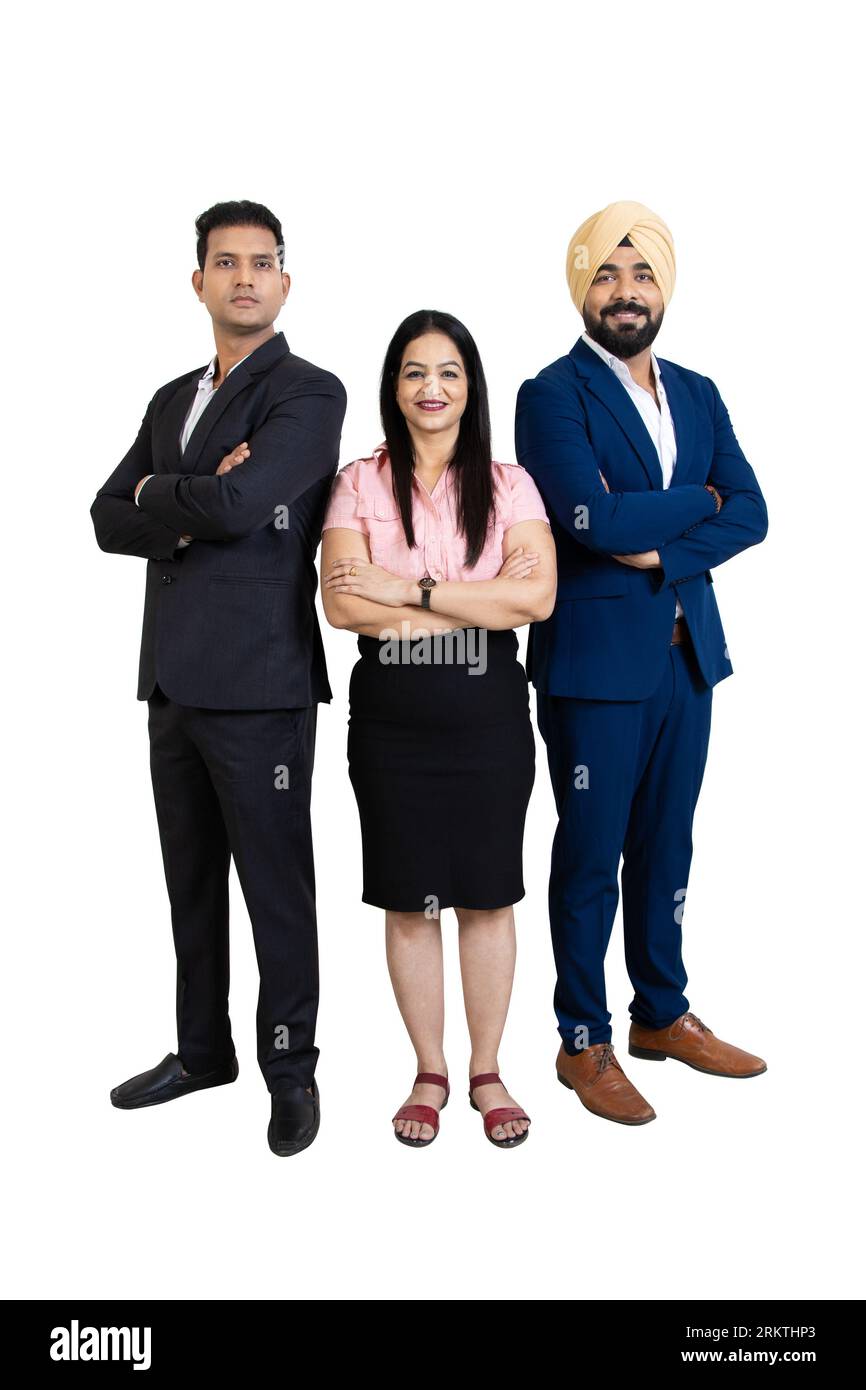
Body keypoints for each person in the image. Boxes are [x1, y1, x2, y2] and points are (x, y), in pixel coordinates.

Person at [90, 199, 347, 1157]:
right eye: (225, 262)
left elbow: (244, 506)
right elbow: (105, 515)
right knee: (189, 882)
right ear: (197, 280)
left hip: (261, 682)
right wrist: (179, 496)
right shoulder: (171, 400)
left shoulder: (308, 394)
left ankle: (291, 1069)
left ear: (285, 280)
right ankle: (203, 1051)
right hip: (172, 681)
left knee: (274, 888)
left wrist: (173, 496)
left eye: (262, 262)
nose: (244, 277)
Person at [515, 200, 768, 1126]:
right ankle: (583, 1037)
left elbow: (751, 508)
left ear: (666, 288)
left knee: (668, 846)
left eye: (643, 275)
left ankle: (662, 1013)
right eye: (609, 276)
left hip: (685, 657)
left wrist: (662, 541)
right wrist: (691, 504)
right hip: (594, 667)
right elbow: (587, 519)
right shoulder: (551, 394)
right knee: (591, 854)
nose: (628, 293)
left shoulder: (698, 392)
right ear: (584, 287)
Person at [320, 309, 556, 1148]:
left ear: (470, 386)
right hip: (392, 722)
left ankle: (488, 1068)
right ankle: (429, 1068)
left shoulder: (512, 483)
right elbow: (342, 601)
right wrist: (464, 600)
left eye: (449, 372)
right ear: (395, 386)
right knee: (410, 898)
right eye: (416, 371)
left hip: (488, 712)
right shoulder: (358, 482)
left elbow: (533, 601)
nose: (432, 388)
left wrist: (407, 592)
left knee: (489, 894)